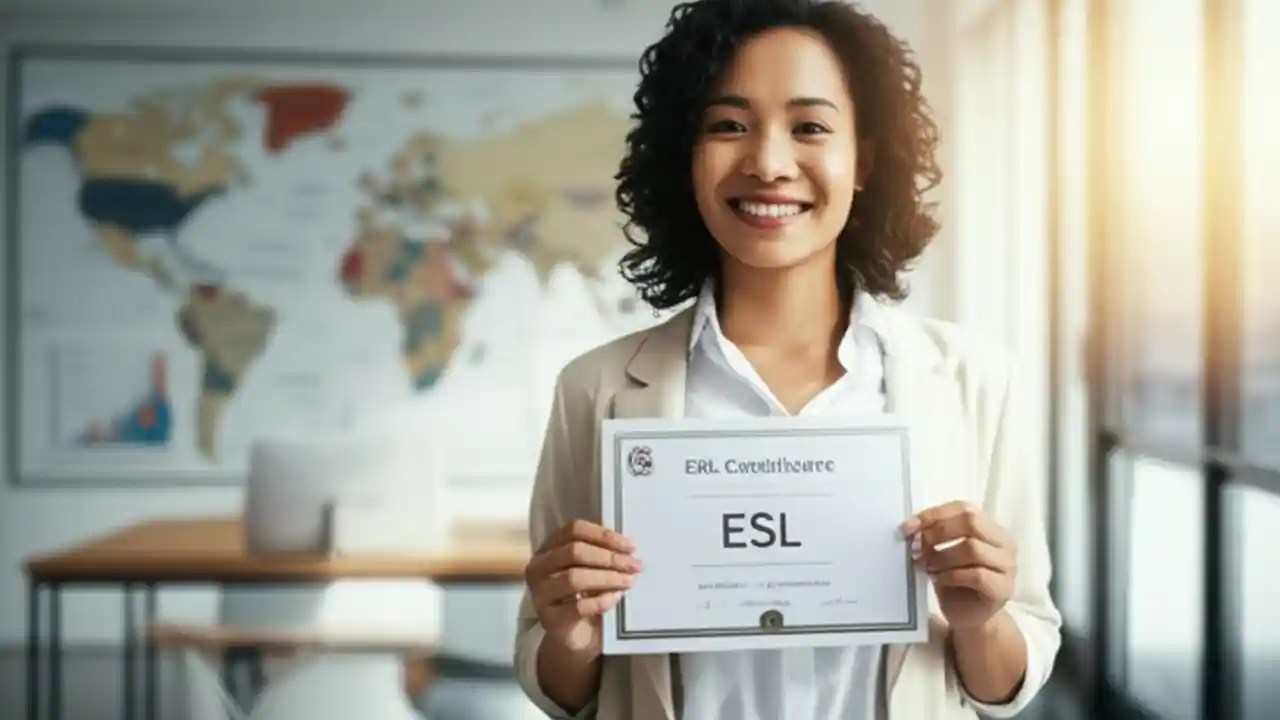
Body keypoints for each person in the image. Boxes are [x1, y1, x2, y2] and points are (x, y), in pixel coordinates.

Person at [514, 0, 1061, 717]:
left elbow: (1005, 686)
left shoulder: (974, 380)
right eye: (728, 126)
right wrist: (572, 633)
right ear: (687, 155)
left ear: (863, 158)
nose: (769, 163)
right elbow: (558, 686)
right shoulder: (597, 388)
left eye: (809, 127)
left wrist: (981, 619)